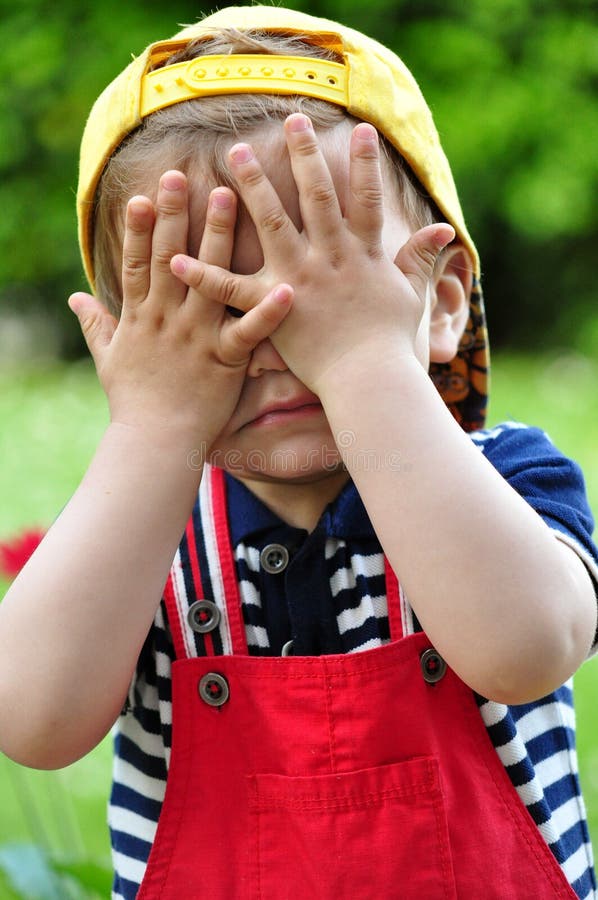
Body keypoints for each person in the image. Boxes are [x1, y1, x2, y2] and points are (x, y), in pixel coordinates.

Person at [0, 5, 597, 898]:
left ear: (441, 304)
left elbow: (525, 649)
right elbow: (33, 723)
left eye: (324, 288)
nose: (271, 336)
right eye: (208, 301)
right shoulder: (138, 536)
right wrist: (155, 430)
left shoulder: (508, 476)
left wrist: (362, 362)